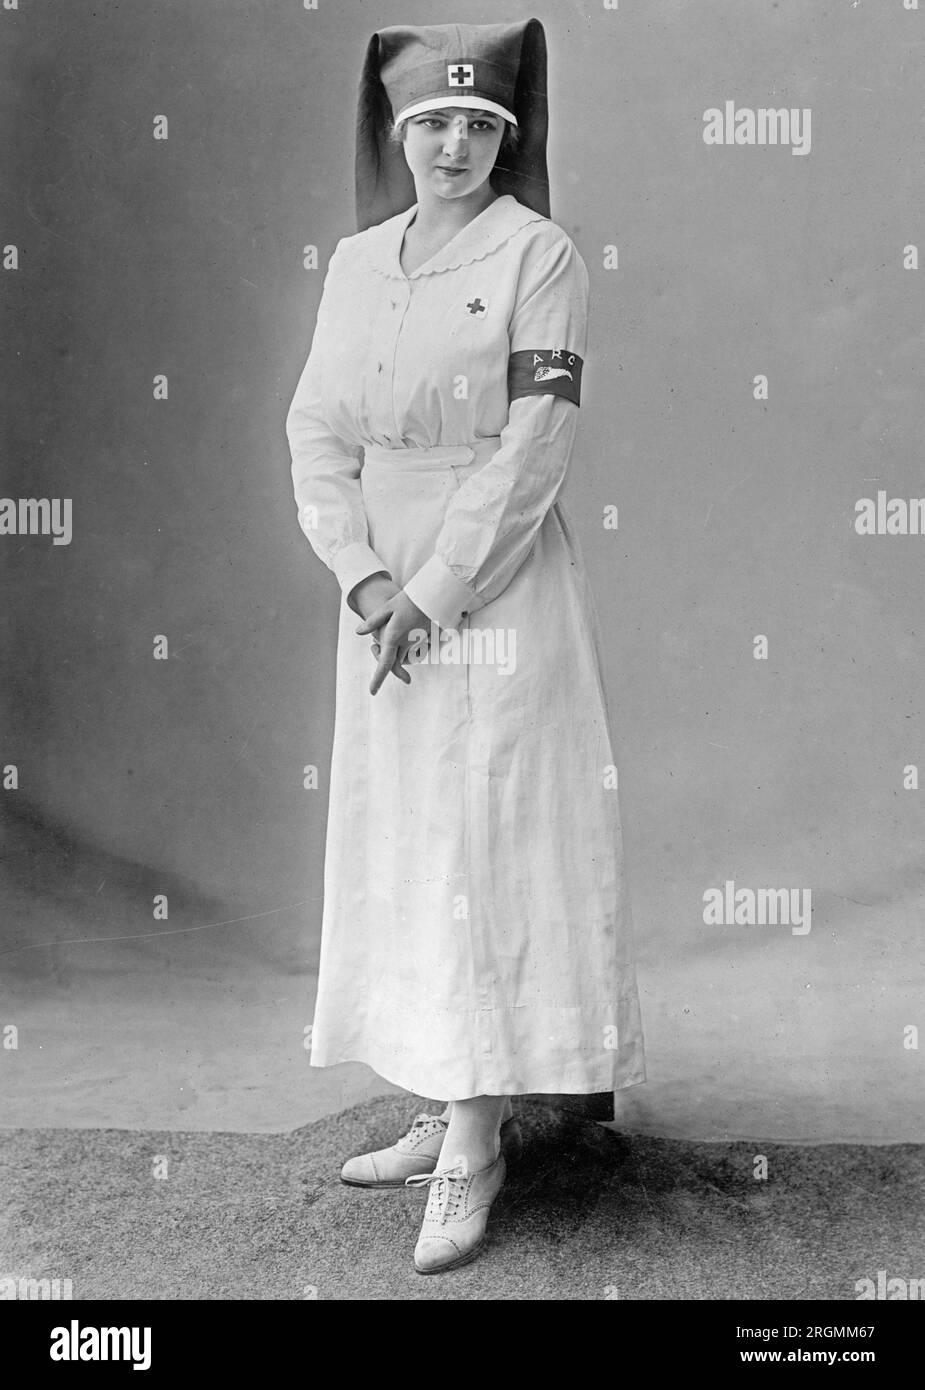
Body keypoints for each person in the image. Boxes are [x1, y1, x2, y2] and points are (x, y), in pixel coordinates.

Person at [286, 18, 645, 1275]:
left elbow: (534, 445)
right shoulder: (357, 261)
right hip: (380, 600)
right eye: (429, 124)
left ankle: (480, 1146)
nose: (451, 145)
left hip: (492, 588)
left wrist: (435, 587)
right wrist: (366, 572)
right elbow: (318, 426)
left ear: (507, 136)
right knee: (404, 832)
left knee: (482, 837)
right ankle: (445, 1102)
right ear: (398, 134)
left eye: (476, 125)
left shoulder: (538, 254)